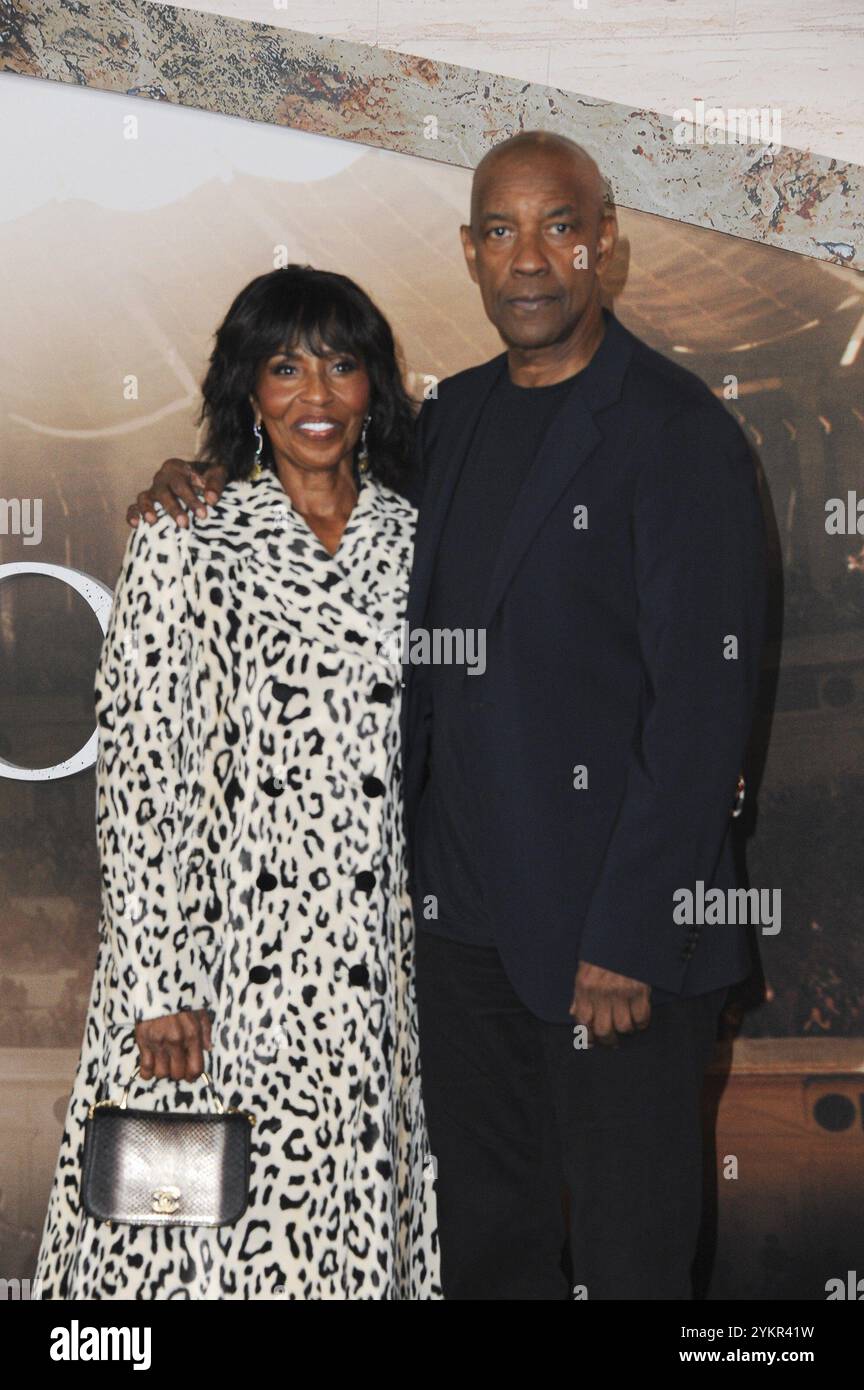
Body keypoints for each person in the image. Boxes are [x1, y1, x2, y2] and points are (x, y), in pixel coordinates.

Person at [122, 131, 768, 1301]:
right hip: (456, 950)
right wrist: (194, 475)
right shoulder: (456, 419)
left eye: (559, 226)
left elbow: (704, 708)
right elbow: (319, 488)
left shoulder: (678, 433)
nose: (531, 259)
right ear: (469, 252)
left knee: (630, 1259)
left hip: (608, 956)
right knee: (489, 1252)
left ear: (603, 242)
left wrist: (628, 931)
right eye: (502, 232)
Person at [33, 266, 440, 1301]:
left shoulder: (418, 544)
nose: (316, 394)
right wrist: (165, 980)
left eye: (342, 365)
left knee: (353, 1240)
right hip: (215, 979)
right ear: (249, 390)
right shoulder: (186, 535)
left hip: (373, 979)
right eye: (285, 366)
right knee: (193, 1249)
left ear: (374, 386)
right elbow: (139, 772)